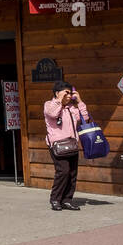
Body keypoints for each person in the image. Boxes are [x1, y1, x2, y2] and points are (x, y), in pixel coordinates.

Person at [44, 81, 90, 211]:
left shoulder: (71, 108)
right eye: (66, 93)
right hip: (57, 145)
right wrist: (59, 98)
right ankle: (55, 199)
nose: (69, 96)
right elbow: (53, 114)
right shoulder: (49, 105)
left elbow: (84, 118)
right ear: (57, 93)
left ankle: (67, 200)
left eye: (70, 93)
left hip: (72, 144)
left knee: (72, 174)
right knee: (63, 172)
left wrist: (79, 101)